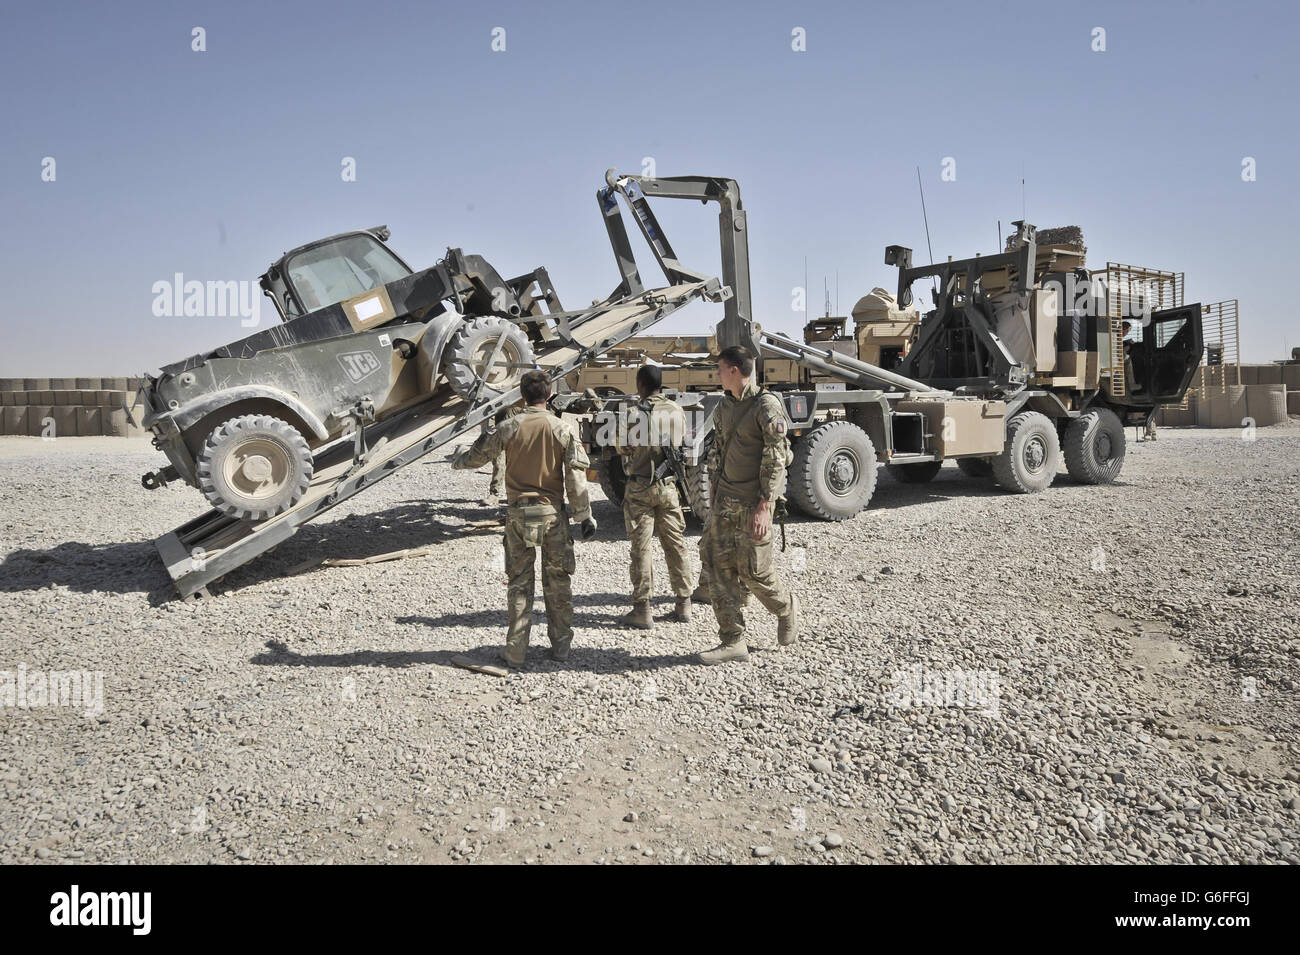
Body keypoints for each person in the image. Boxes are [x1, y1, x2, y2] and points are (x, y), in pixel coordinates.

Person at [453, 371, 596, 667]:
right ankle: (561, 648)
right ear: (550, 395)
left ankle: (516, 650)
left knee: (519, 582)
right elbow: (575, 478)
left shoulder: (509, 427)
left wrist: (458, 461)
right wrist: (584, 515)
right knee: (557, 582)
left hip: (521, 515)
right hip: (552, 515)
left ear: (522, 395)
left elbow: (477, 457)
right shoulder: (563, 429)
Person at [698, 346, 799, 665]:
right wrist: (712, 488)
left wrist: (765, 506)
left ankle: (786, 607)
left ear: (734, 371)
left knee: (755, 572)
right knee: (717, 566)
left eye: (720, 369)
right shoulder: (724, 406)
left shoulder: (766, 406)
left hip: (754, 502)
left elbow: (776, 458)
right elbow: (717, 448)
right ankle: (733, 640)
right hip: (725, 501)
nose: (716, 374)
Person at [615, 365, 693, 629]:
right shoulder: (677, 410)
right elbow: (681, 441)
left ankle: (643, 610)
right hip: (669, 489)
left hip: (639, 490)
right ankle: (684, 603)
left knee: (641, 549)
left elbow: (621, 446)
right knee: (676, 545)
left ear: (640, 385)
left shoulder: (633, 414)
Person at [482, 401, 523, 506]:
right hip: (499, 423)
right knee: (498, 461)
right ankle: (494, 494)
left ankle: (518, 495)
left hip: (519, 422)